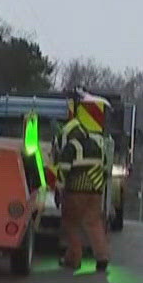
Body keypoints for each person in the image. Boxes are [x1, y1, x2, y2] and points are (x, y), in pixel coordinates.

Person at [53, 91, 113, 273]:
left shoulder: (71, 147)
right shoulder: (95, 146)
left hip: (76, 191)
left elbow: (63, 170)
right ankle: (102, 258)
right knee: (94, 223)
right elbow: (104, 168)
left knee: (70, 223)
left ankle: (74, 259)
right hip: (95, 191)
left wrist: (59, 190)